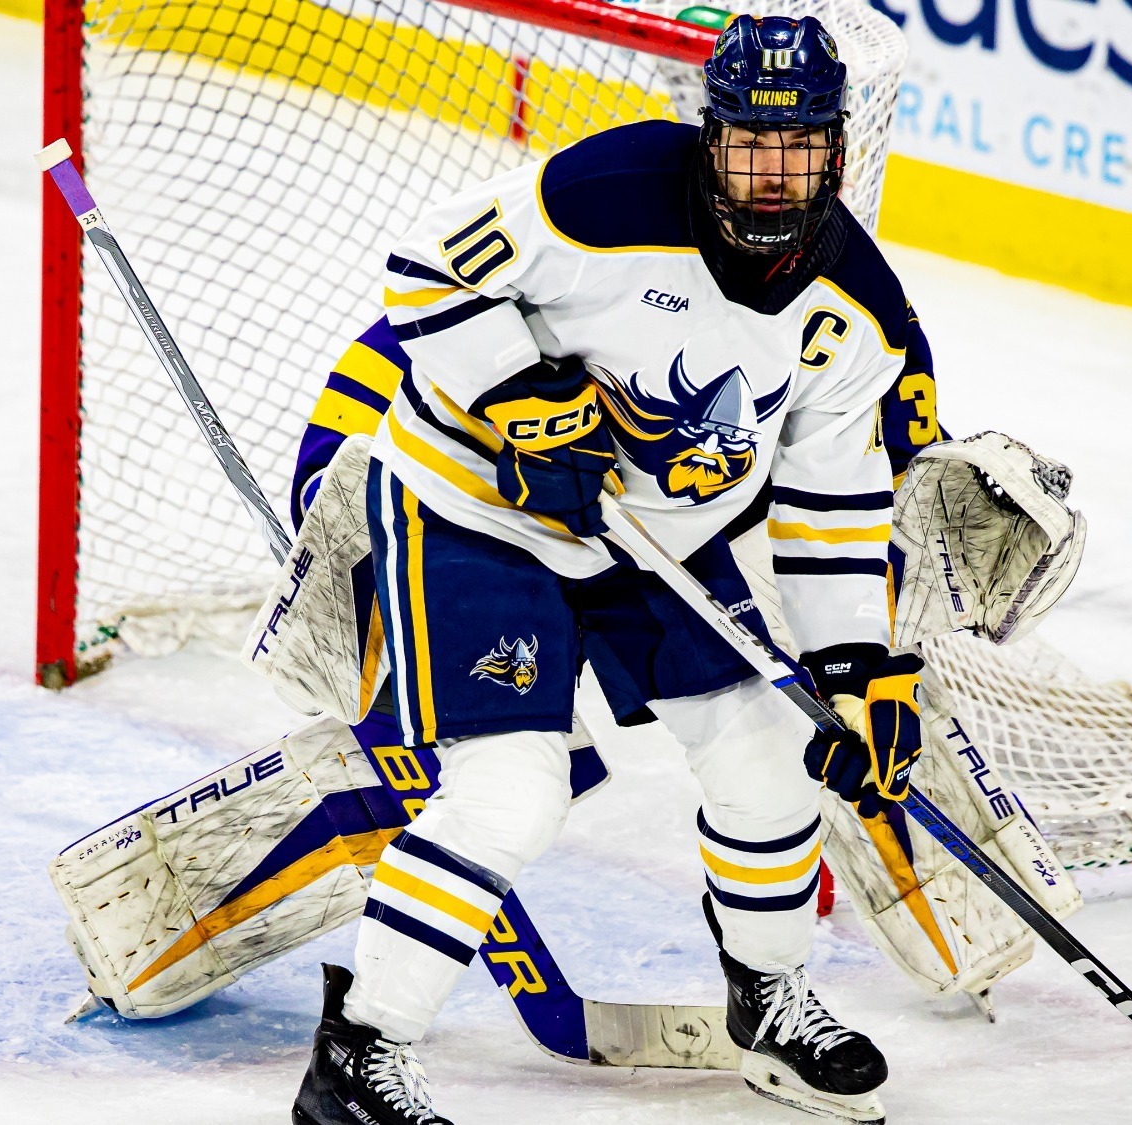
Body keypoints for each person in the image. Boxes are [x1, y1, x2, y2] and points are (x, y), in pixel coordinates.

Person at [289, 14, 942, 1125]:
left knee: (774, 754)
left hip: (658, 545)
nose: (772, 172)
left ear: (837, 149)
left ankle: (769, 999)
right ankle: (356, 1057)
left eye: (798, 147)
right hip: (472, 515)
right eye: (748, 143)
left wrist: (851, 666)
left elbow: (832, 504)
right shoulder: (604, 194)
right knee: (510, 791)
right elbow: (424, 274)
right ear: (710, 134)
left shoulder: (858, 315)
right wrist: (516, 396)